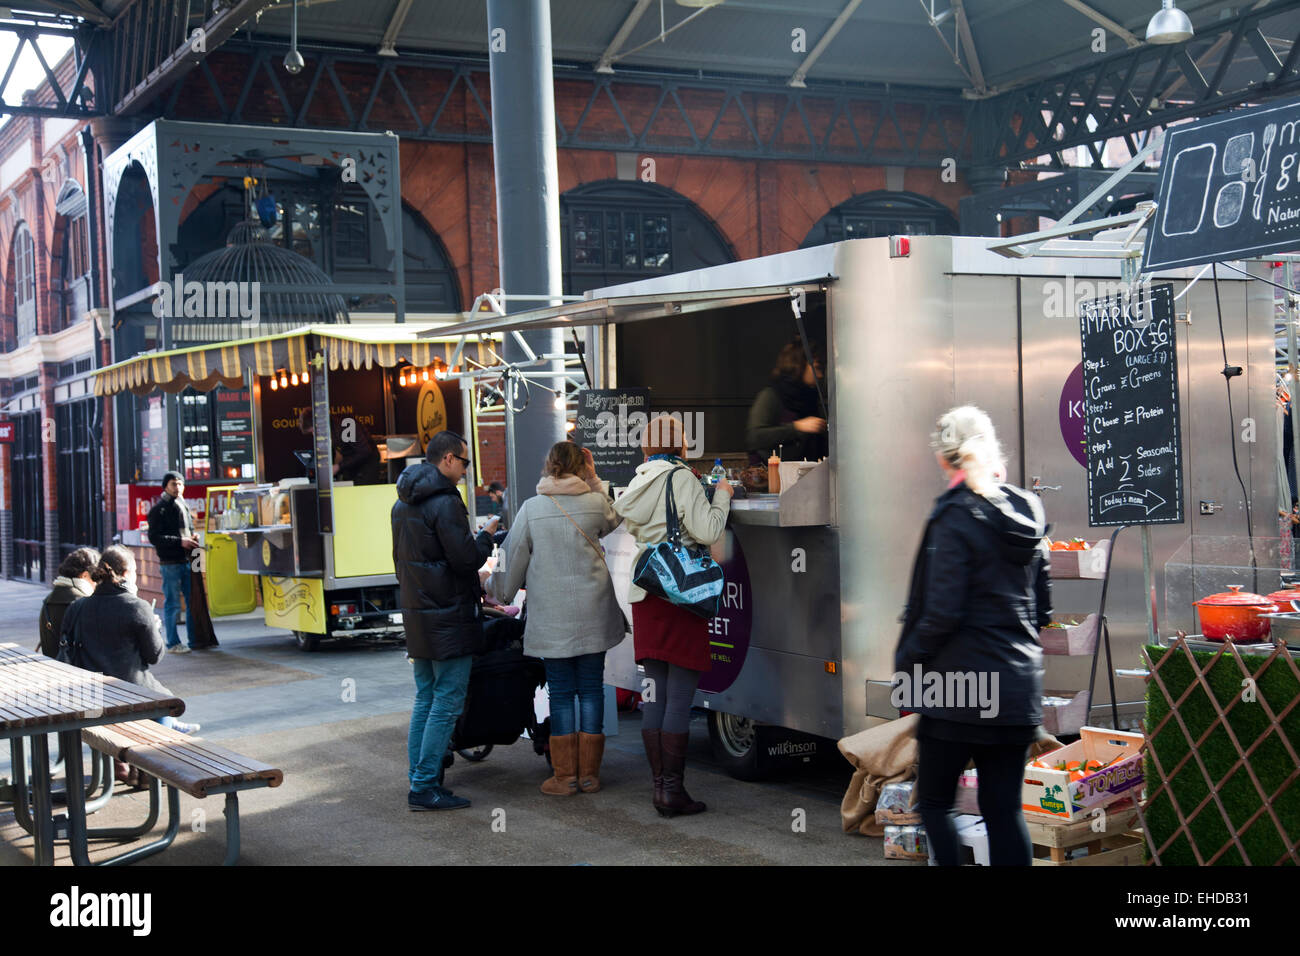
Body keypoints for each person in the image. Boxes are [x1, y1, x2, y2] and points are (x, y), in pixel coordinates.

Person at [893, 405, 1051, 866]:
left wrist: (907, 664)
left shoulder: (954, 517)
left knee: (935, 803)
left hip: (956, 692)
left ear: (945, 459)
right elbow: (1043, 609)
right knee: (1003, 811)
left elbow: (940, 613)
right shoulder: (1029, 509)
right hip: (1017, 689)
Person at [485, 441, 623, 796]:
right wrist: (594, 478)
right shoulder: (595, 504)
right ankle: (590, 775)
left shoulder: (532, 509)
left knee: (561, 693)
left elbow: (513, 556)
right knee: (591, 689)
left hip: (551, 618)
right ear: (581, 467)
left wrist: (498, 592)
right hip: (594, 613)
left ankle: (565, 777)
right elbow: (614, 516)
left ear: (549, 467)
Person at [613, 414, 731, 816]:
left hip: (647, 592)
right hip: (681, 594)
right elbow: (708, 531)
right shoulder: (680, 478)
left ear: (647, 447)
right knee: (680, 694)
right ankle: (672, 791)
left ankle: (660, 788)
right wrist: (723, 494)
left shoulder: (638, 479)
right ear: (680, 445)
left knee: (657, 693)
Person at [392, 429, 499, 811]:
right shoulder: (445, 502)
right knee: (447, 700)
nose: (467, 471)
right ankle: (423, 786)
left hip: (418, 615)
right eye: (465, 462)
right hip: (449, 616)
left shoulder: (401, 503)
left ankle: (421, 777)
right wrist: (485, 538)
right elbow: (465, 560)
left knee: (425, 697)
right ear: (449, 459)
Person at [65, 547, 200, 738]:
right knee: (167, 702)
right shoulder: (137, 607)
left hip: (91, 697)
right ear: (127, 573)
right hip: (130, 694)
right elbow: (154, 656)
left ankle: (130, 759)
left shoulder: (77, 608)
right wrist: (155, 628)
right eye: (136, 571)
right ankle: (162, 742)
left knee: (162, 703)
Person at [746, 340, 828, 463]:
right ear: (799, 366)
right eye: (816, 368)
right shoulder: (772, 396)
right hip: (772, 473)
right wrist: (796, 427)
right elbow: (754, 437)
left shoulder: (810, 397)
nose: (820, 375)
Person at [147, 472, 201, 654]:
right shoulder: (158, 510)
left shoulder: (183, 506)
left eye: (180, 484)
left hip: (188, 559)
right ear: (165, 486)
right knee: (173, 604)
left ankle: (195, 640)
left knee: (192, 600)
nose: (177, 487)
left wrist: (192, 537)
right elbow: (154, 537)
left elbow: (189, 529)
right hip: (169, 562)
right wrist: (180, 541)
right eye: (173, 484)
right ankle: (172, 643)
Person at [38, 547, 99, 658]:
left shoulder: (48, 601)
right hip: (76, 671)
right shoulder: (83, 603)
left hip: (52, 667)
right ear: (84, 575)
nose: (96, 584)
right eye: (95, 578)